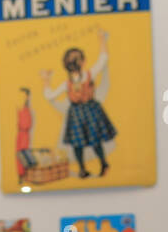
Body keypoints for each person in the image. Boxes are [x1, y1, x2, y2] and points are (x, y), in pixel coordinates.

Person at [41, 29, 116, 178]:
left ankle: (98, 165)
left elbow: (49, 95)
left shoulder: (79, 78)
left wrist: (46, 80)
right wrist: (102, 40)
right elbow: (103, 58)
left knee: (88, 142)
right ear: (82, 62)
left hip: (85, 111)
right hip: (83, 112)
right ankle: (88, 167)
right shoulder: (77, 79)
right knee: (83, 143)